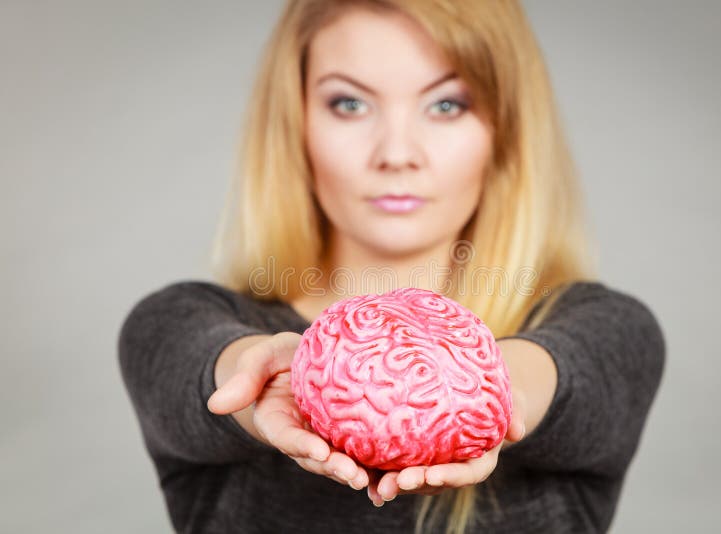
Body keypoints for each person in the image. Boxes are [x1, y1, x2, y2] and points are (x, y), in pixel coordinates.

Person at [117, 1, 666, 533]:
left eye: (447, 104)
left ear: (503, 132)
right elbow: (192, 359)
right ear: (295, 124)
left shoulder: (607, 327)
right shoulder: (182, 320)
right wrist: (259, 380)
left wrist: (489, 392)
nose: (397, 152)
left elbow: (571, 371)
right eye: (350, 104)